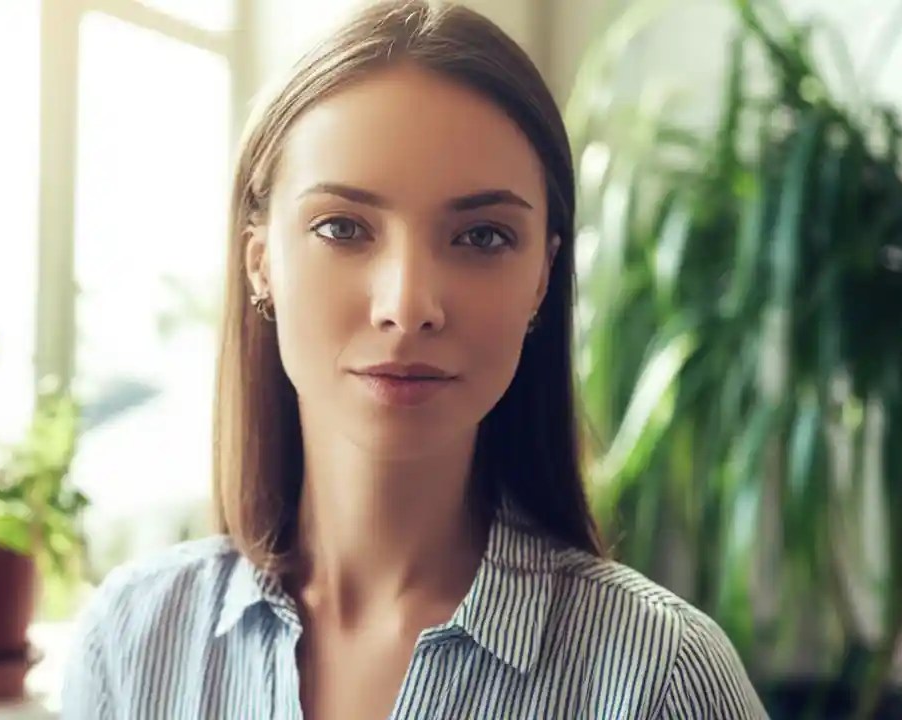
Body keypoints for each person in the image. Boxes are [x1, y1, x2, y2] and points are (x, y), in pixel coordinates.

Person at [61, 0, 768, 717]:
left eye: (483, 237)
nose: (408, 303)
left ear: (541, 280)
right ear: (260, 262)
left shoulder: (662, 678)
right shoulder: (131, 643)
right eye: (342, 227)